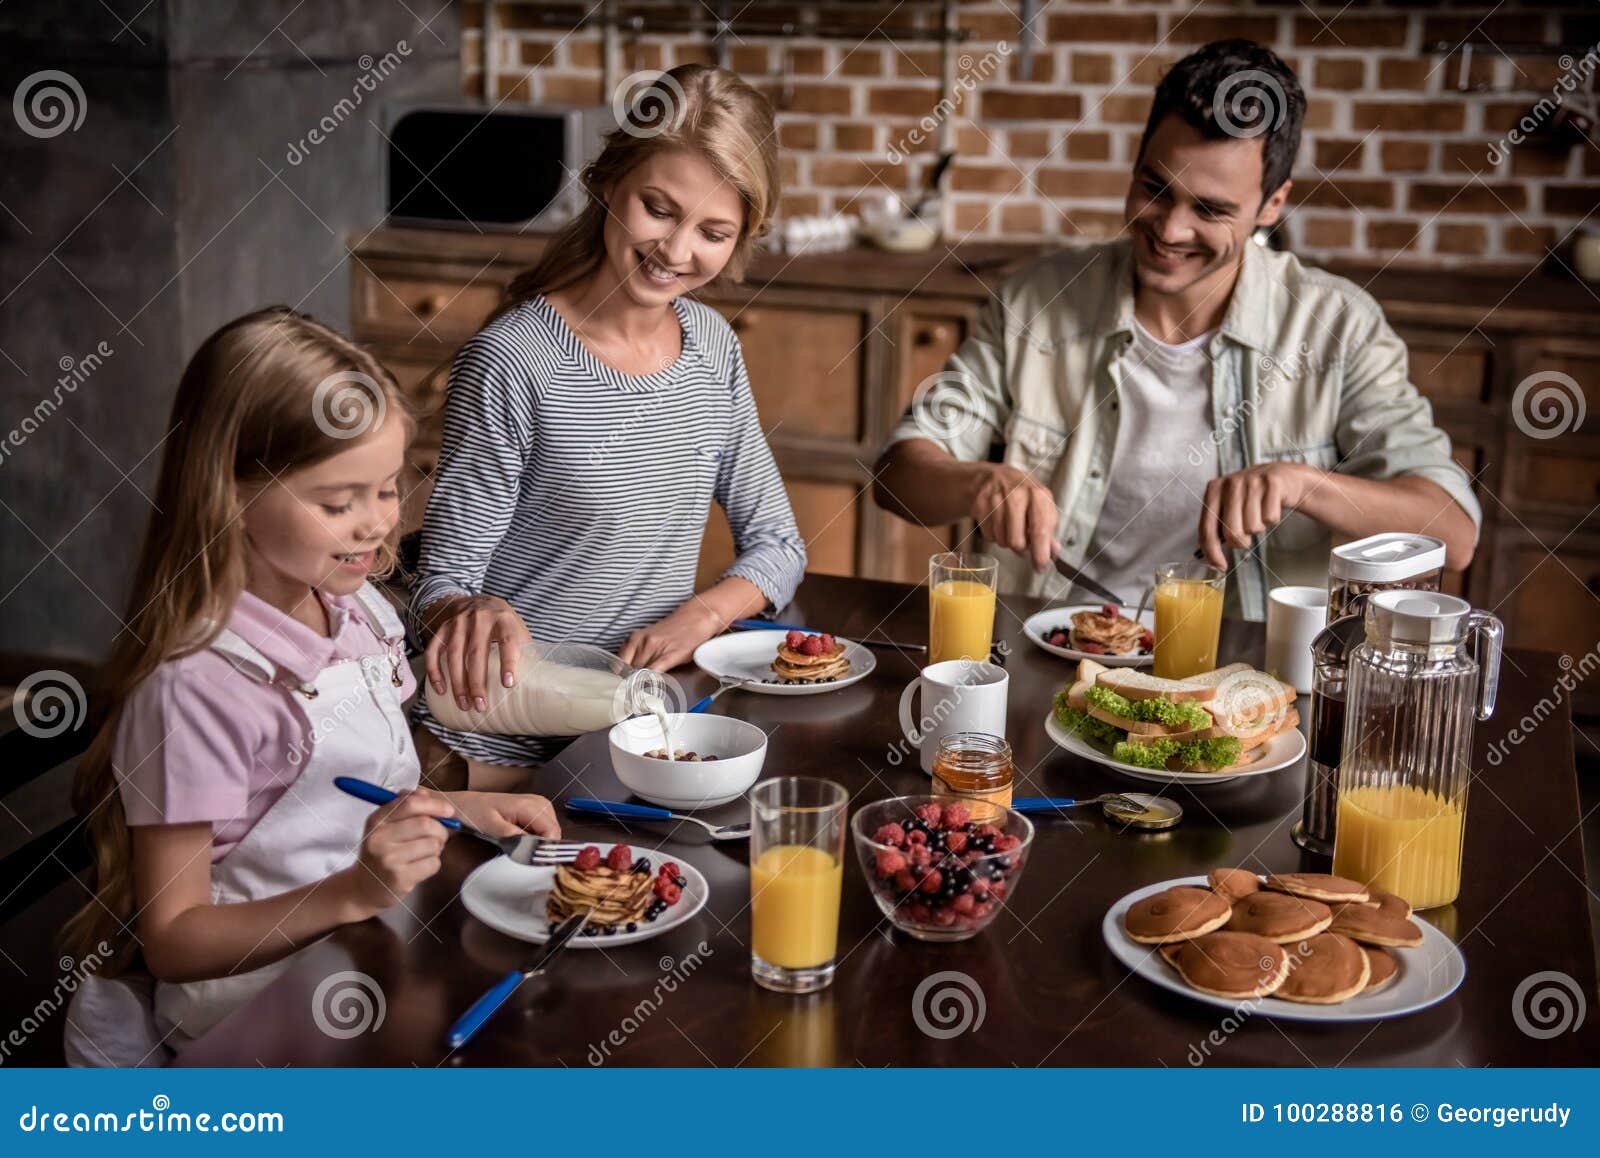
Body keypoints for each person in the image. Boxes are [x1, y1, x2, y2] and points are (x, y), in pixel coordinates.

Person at [61, 308, 559, 1066]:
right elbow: (172, 939)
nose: (374, 526)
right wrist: (353, 893)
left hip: (366, 958)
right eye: (338, 503)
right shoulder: (195, 689)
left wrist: (455, 808)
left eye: (388, 490)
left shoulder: (353, 609)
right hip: (256, 1014)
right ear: (229, 493)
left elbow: (343, 804)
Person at [873, 39, 1479, 619]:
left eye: (1211, 210)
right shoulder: (1038, 298)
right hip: (1050, 644)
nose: (1170, 229)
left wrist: (1302, 485)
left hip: (1240, 674)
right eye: (1154, 190)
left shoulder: (1337, 326)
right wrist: (978, 481)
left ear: (1272, 204)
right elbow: (898, 478)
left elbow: (1452, 535)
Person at [413, 64, 806, 779]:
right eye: (658, 209)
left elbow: (778, 543)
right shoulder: (513, 359)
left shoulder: (713, 347)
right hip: (501, 752)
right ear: (606, 183)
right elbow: (439, 581)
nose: (678, 251)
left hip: (639, 733)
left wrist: (701, 617)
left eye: (713, 231)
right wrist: (468, 611)